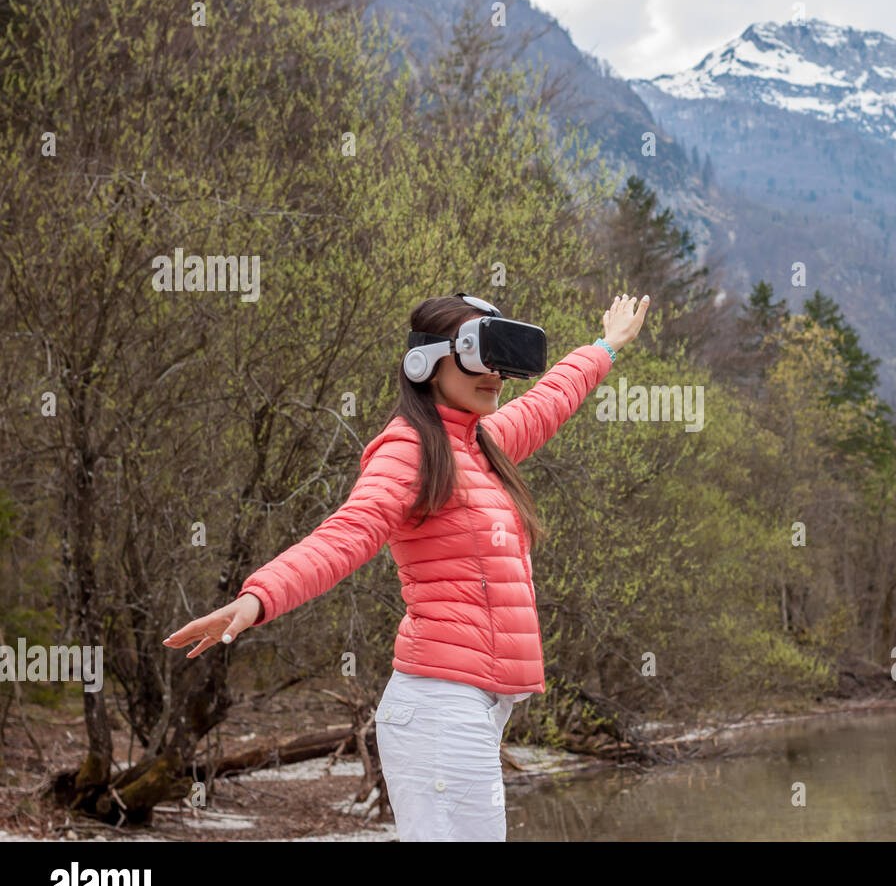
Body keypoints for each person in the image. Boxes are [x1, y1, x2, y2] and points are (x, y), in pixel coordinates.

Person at [164, 293, 651, 840]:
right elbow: (346, 535)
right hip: (440, 708)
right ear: (426, 362)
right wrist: (257, 599)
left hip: (473, 706)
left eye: (499, 358)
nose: (493, 374)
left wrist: (605, 346)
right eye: (475, 355)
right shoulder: (411, 451)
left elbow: (550, 400)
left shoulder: (480, 445)